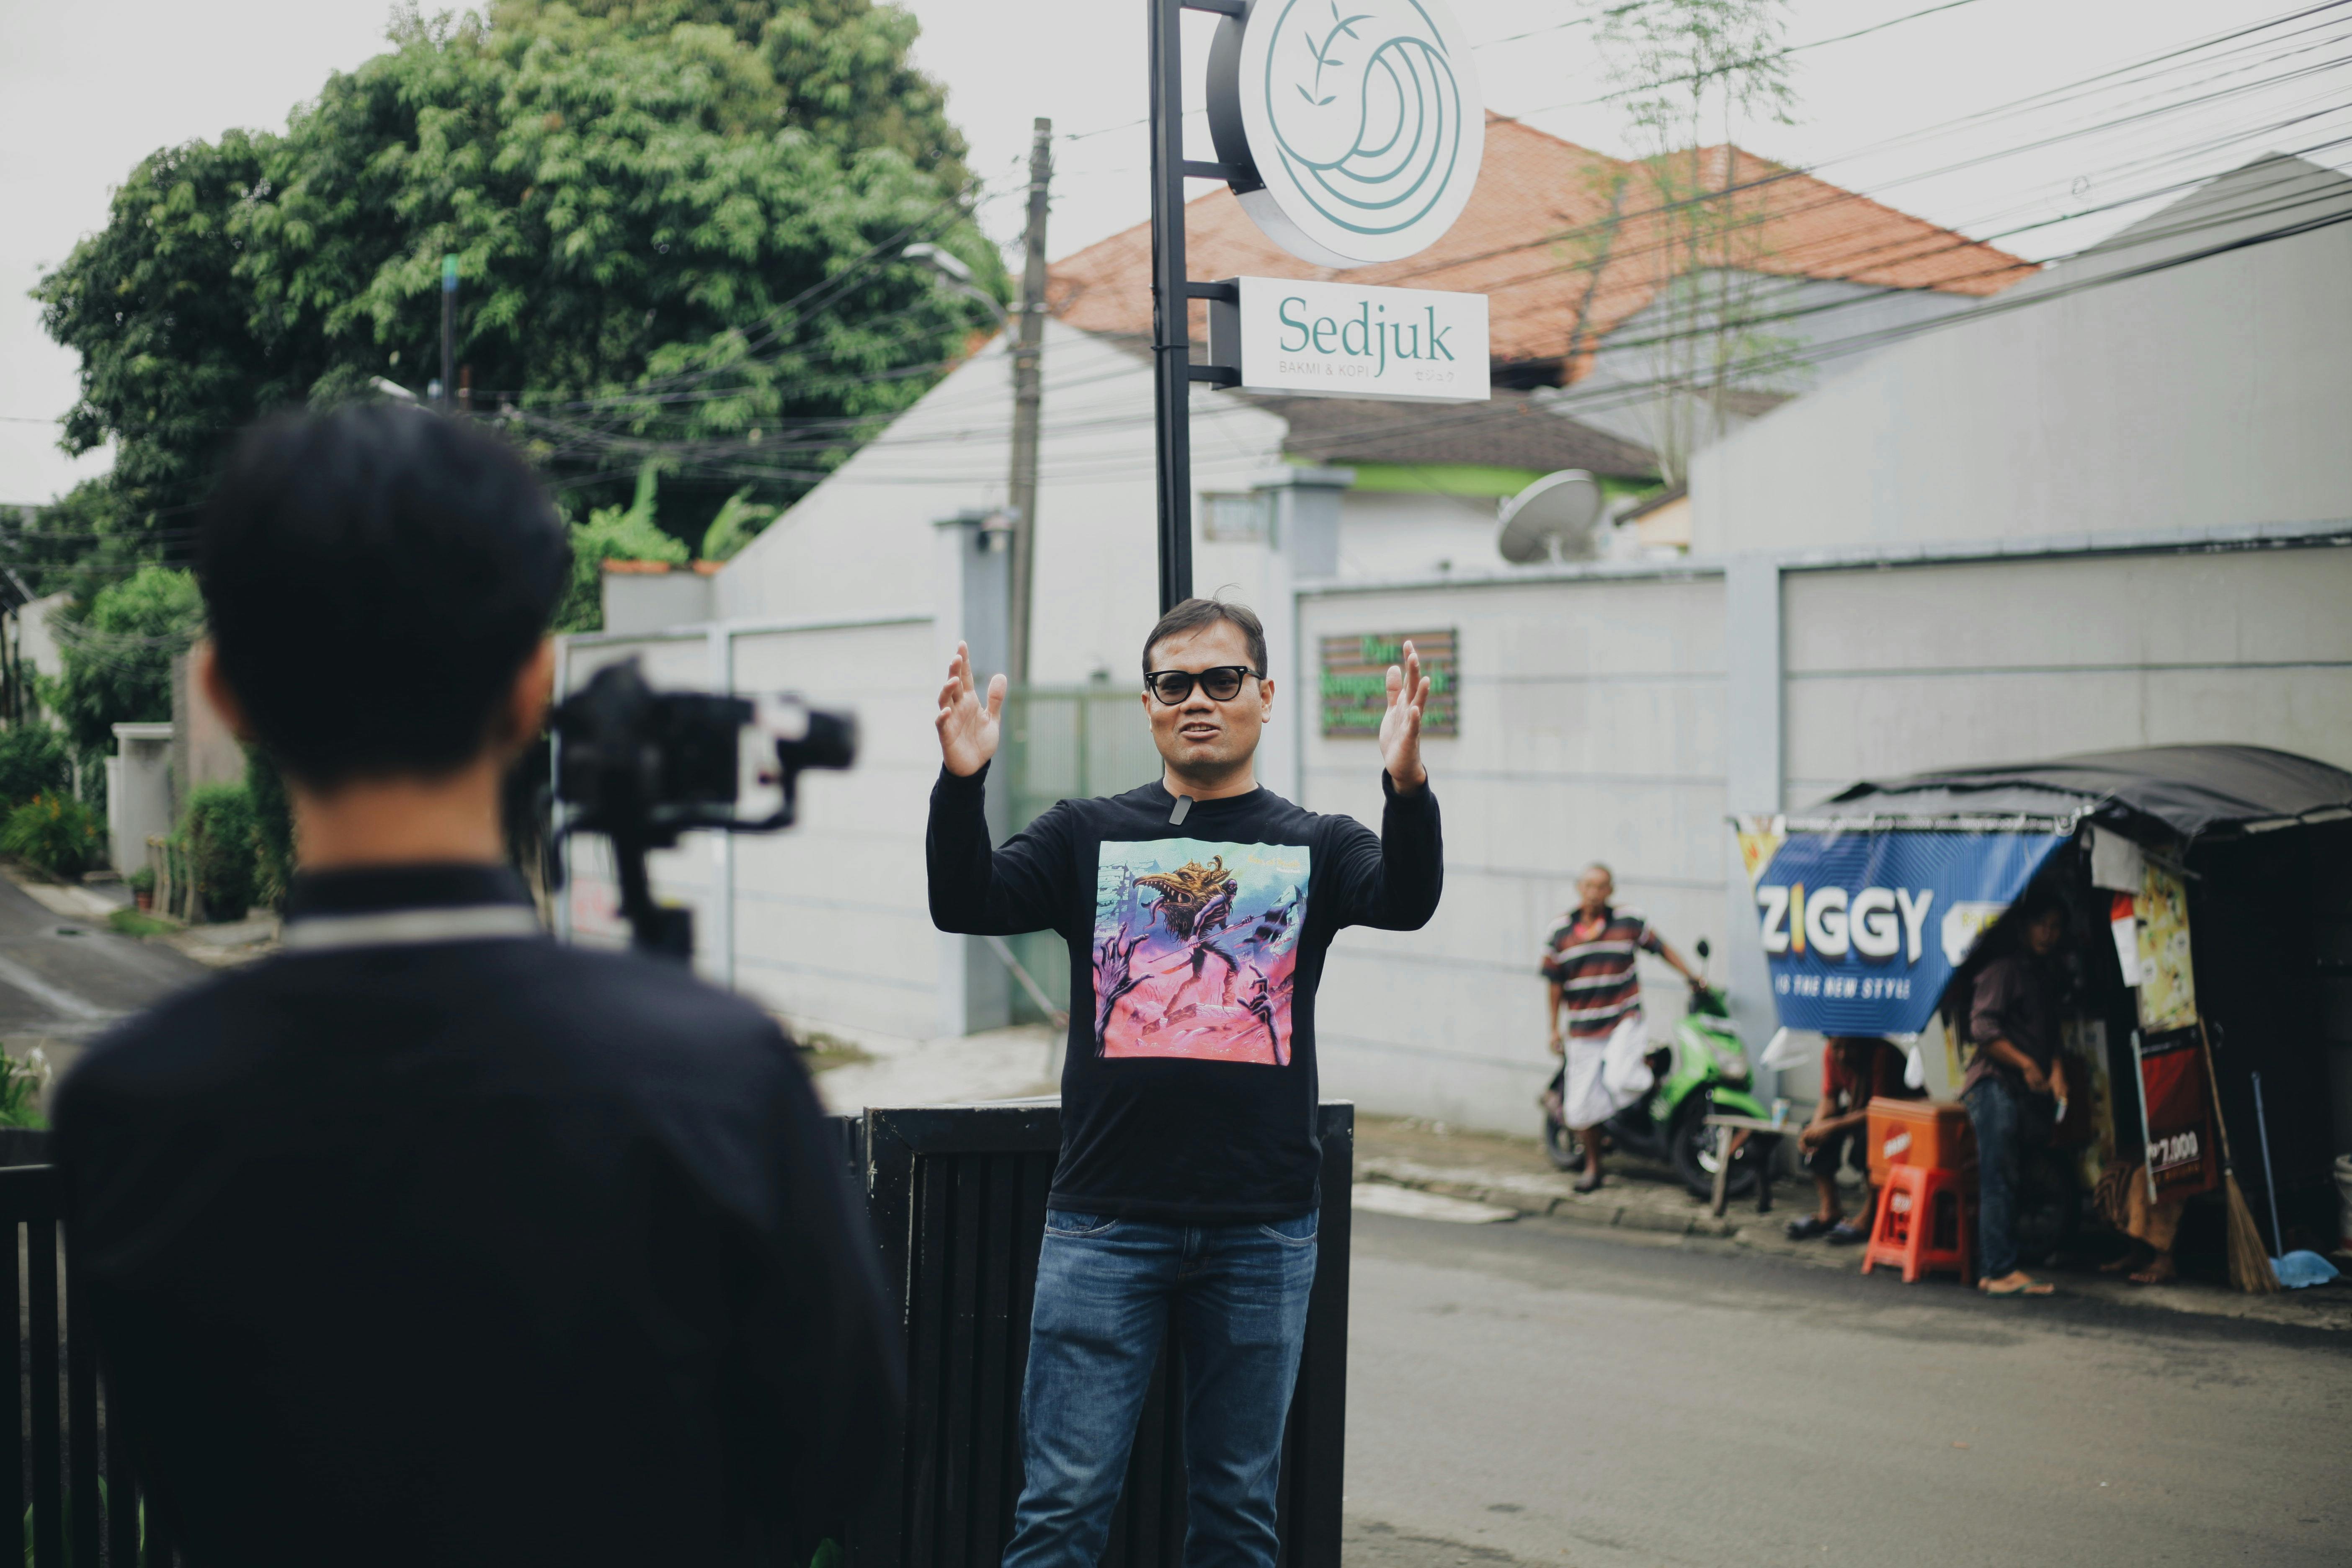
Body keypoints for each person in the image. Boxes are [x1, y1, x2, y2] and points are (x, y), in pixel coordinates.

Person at [53, 407, 899, 1567]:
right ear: (530, 690)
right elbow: (839, 1450)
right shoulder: (720, 1071)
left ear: (227, 693)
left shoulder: (127, 1105)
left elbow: (171, 1461)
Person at [928, 597, 1441, 1568]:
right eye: (1174, 682)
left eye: (1221, 679)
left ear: (1264, 694)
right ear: (1150, 702)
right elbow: (966, 900)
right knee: (1061, 1508)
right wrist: (963, 784)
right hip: (1104, 1222)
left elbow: (1407, 900)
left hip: (1263, 1225)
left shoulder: (1317, 843)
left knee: (1238, 1511)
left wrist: (1405, 785)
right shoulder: (1086, 831)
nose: (1197, 699)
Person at [1539, 864, 1703, 1193]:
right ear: (1579, 888)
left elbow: (1662, 949)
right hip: (1584, 1030)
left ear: (1611, 891)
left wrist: (1691, 976)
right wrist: (1554, 1029)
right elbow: (1555, 984)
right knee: (1579, 1111)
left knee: (1621, 1079)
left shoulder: (1629, 921)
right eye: (1588, 886)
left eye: (1601, 887)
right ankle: (1594, 1168)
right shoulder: (1560, 931)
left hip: (1623, 1020)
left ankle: (1652, 1079)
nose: (1594, 893)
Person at [1962, 891, 2077, 1298]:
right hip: (1993, 1086)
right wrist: (2027, 1063)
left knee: (2014, 1175)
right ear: (2024, 927)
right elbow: (1983, 1029)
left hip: (2022, 1095)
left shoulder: (2044, 975)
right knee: (1999, 1178)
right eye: (2041, 924)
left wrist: (2057, 1071)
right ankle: (1997, 1271)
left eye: (2055, 926)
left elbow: (2051, 1037)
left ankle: (2002, 1264)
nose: (2048, 933)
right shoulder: (2004, 970)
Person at [1785, 1037, 1922, 1243]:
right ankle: (1830, 1210)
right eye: (1837, 1047)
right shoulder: (1830, 1053)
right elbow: (1830, 1098)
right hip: (1860, 1111)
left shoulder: (1881, 1055)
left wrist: (1832, 1125)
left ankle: (1871, 1216)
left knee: (1869, 1140)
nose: (1842, 1055)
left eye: (1850, 1048)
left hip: (1899, 1117)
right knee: (1814, 1133)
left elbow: (1878, 1109)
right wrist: (1815, 1129)